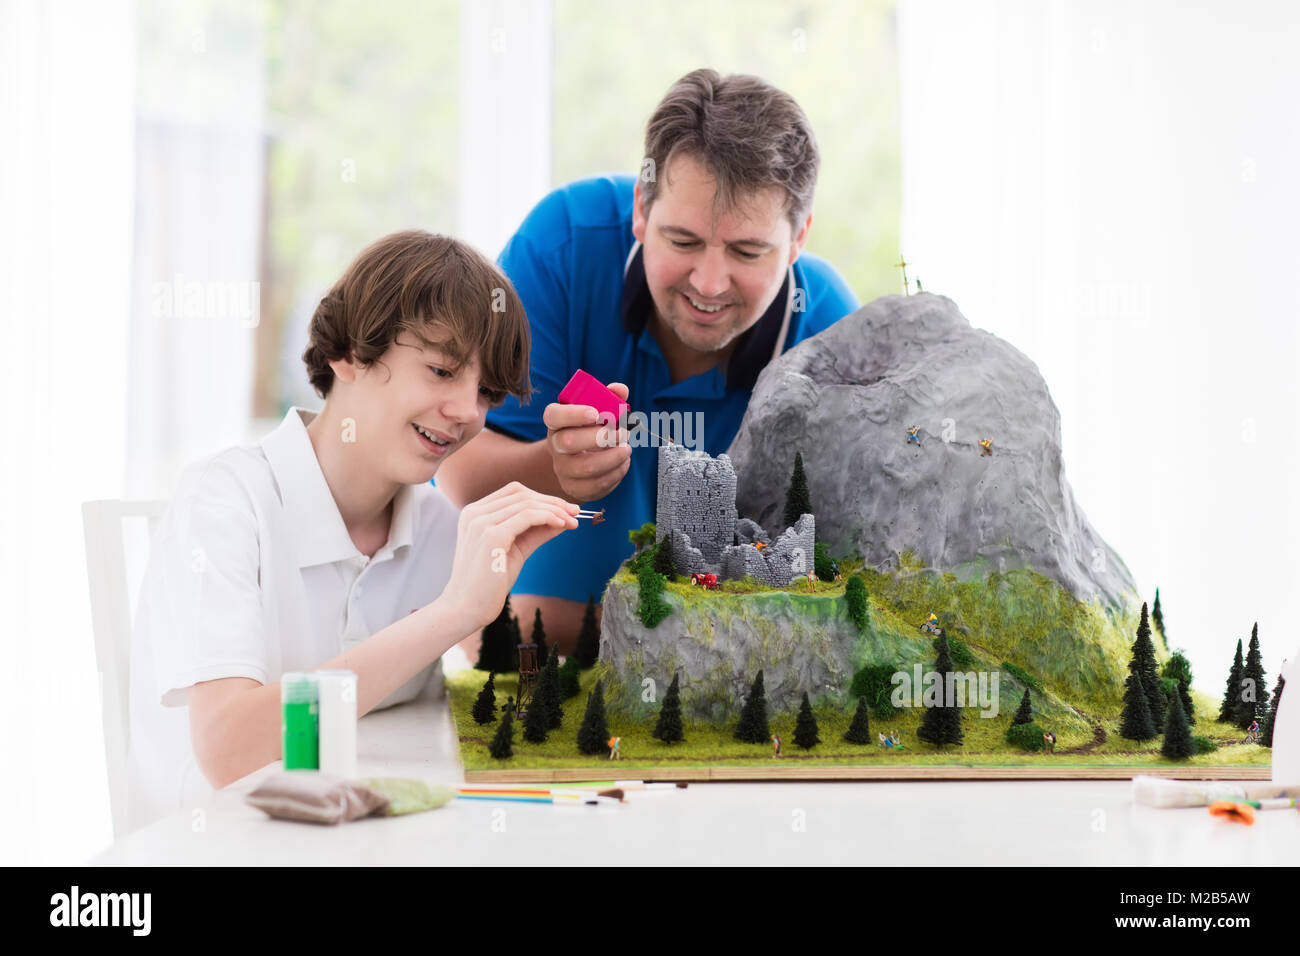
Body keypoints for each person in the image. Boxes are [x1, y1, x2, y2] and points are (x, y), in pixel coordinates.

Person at [126, 231, 579, 828]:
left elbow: (510, 693)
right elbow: (228, 751)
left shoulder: (441, 527)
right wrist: (449, 614)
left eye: (487, 392)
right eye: (442, 370)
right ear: (349, 355)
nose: (469, 412)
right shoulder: (227, 501)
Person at [436, 69, 860, 653]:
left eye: (747, 251)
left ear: (798, 238)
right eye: (682, 241)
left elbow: (845, 572)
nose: (709, 284)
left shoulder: (828, 331)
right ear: (640, 208)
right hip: (543, 656)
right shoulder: (562, 249)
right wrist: (553, 465)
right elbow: (457, 476)